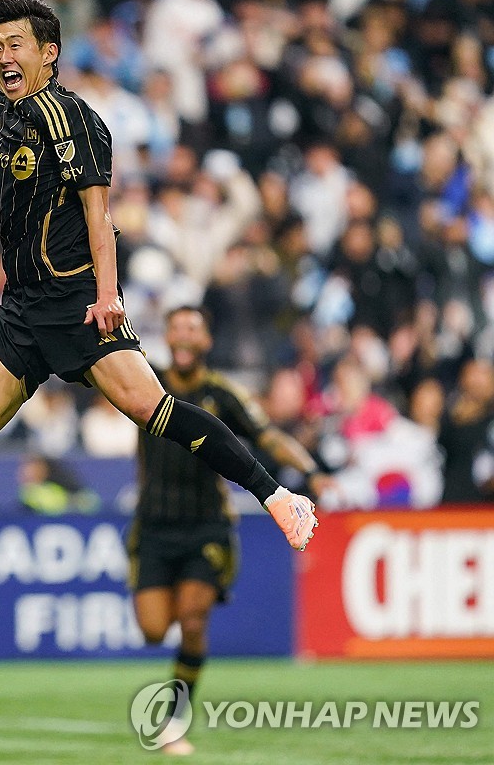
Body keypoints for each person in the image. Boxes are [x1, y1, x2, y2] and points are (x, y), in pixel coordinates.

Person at [0, 0, 319, 634]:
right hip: (21, 311)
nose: (3, 58)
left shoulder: (71, 117)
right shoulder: (10, 113)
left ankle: (277, 496)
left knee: (155, 411)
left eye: (16, 46)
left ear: (49, 53)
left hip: (76, 303)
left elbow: (99, 215)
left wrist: (108, 295)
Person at [130, 306, 334, 754]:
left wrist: (310, 471)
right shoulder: (144, 381)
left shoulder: (223, 394)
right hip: (154, 526)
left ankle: (174, 719)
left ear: (206, 341)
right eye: (177, 328)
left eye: (193, 328)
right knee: (152, 629)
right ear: (167, 337)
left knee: (192, 619)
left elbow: (269, 437)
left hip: (206, 525)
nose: (184, 336)